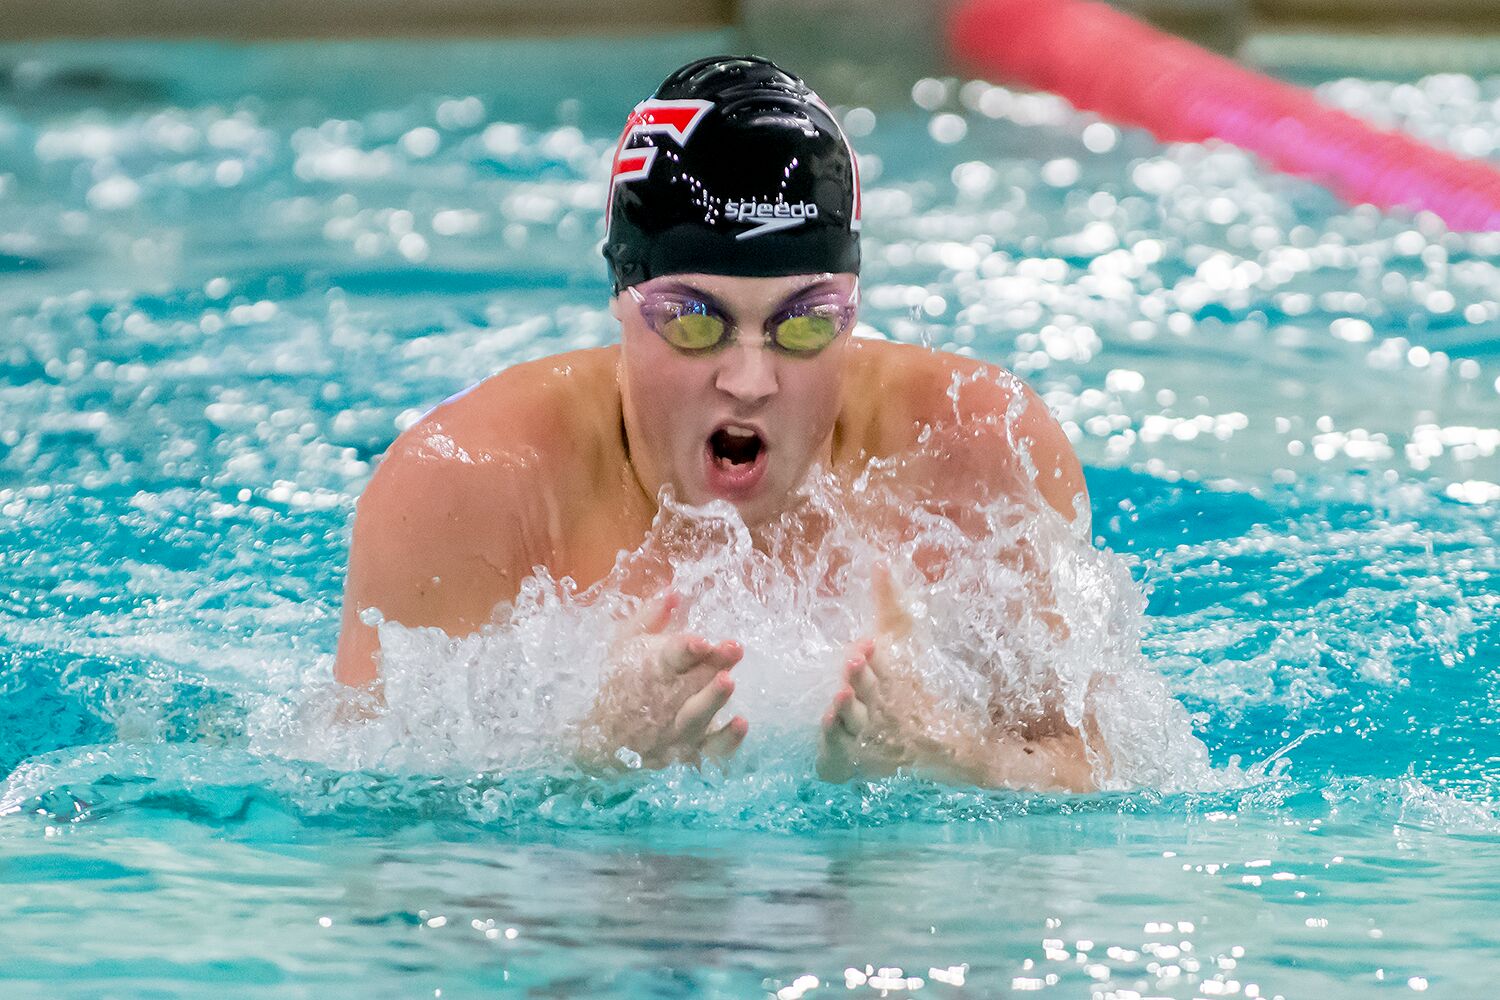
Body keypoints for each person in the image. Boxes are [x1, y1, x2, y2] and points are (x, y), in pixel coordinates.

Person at [333, 55, 1099, 792]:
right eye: (695, 323)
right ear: (621, 301)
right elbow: (360, 818)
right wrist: (582, 765)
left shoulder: (979, 448)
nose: (750, 380)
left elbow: (1113, 774)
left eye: (803, 326)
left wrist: (959, 760)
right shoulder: (465, 486)